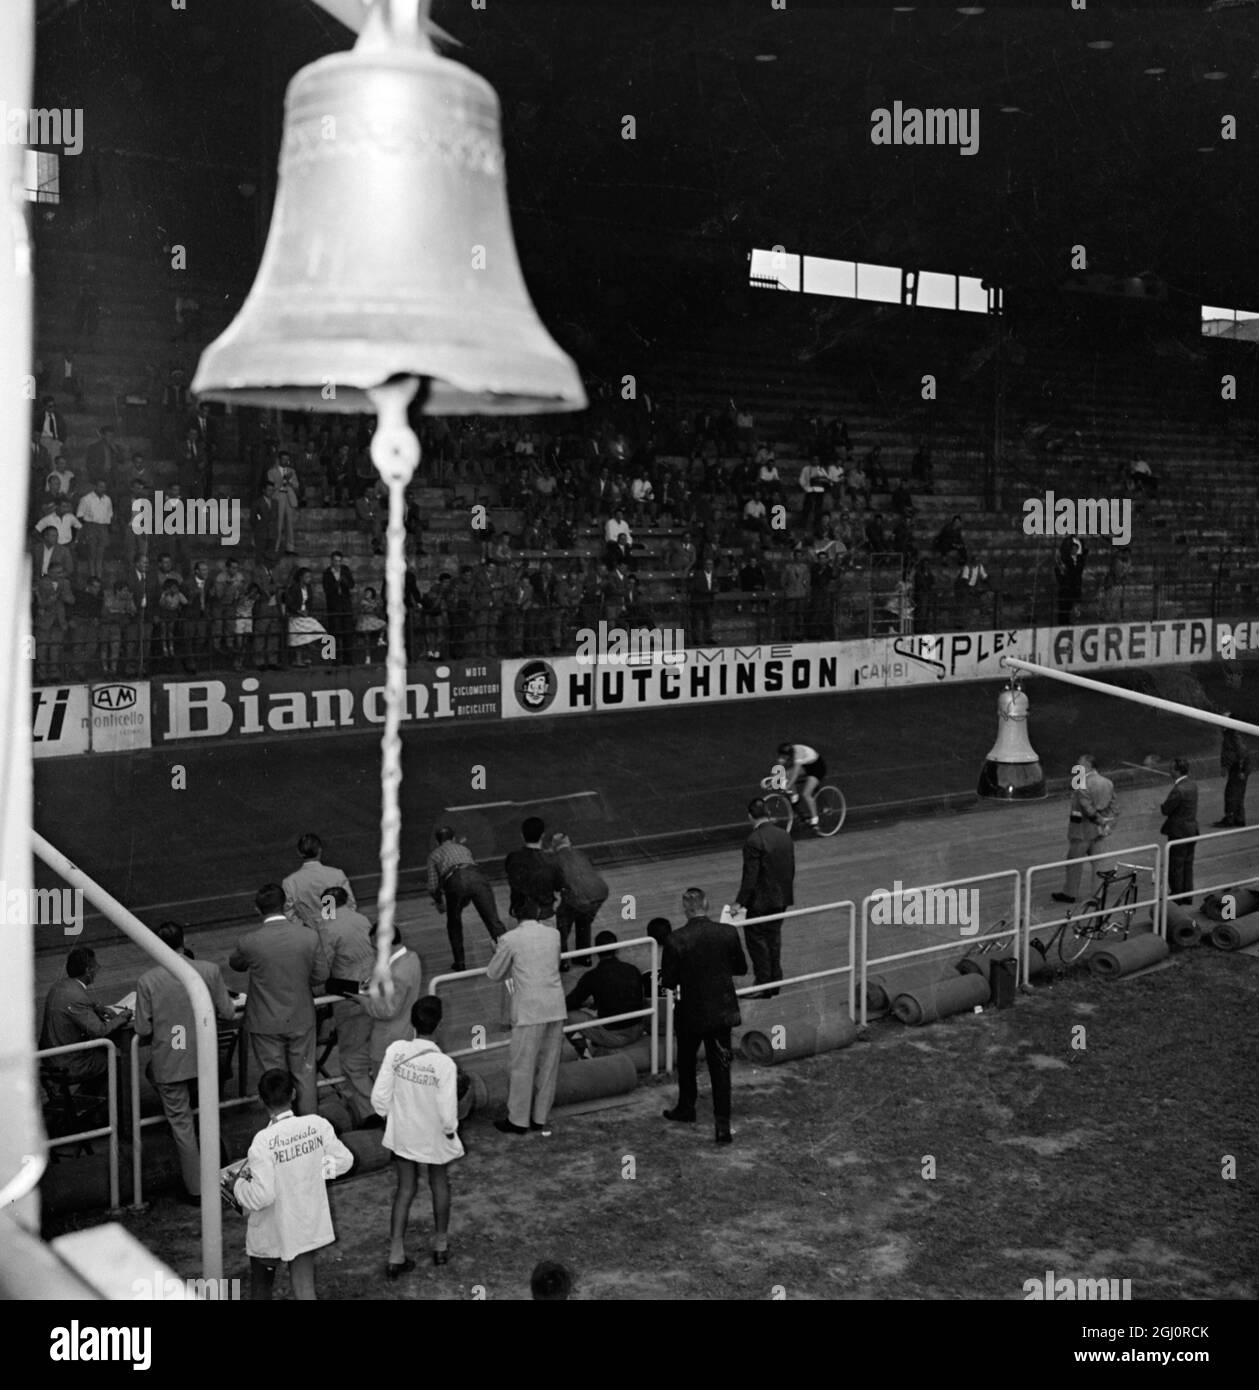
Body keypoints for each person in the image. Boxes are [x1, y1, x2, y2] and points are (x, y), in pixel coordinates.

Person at [134, 922, 238, 1201]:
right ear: (183, 940)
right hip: (204, 1059)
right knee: (209, 1116)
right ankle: (223, 1177)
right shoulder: (209, 970)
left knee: (182, 1127)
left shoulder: (148, 980)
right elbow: (228, 1012)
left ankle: (196, 1189)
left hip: (170, 1063)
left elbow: (142, 1030)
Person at [232, 1069, 355, 1301]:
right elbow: (344, 1161)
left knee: (261, 1288)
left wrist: (239, 1187)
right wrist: (314, 1172)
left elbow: (262, 1196)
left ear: (261, 1100)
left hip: (273, 1226)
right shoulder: (316, 1124)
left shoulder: (263, 1141)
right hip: (304, 1223)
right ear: (294, 1094)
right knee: (305, 1289)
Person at [371, 995, 464, 1274]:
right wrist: (449, 1132)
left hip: (404, 1132)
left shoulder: (396, 1050)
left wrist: (392, 1117)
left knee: (405, 1189)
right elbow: (448, 1114)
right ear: (440, 1024)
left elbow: (379, 1098)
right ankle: (440, 1246)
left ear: (411, 1021)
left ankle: (396, 1254)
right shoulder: (444, 1064)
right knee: (439, 1182)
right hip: (433, 1134)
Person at [228, 884, 330, 1116]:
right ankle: (310, 1128)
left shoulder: (249, 941)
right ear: (285, 904)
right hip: (301, 1017)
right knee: (305, 1075)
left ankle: (282, 1130)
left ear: (257, 909)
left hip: (265, 1021)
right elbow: (321, 975)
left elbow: (236, 963)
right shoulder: (308, 936)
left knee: (273, 1080)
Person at [661, 887, 748, 1144]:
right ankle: (723, 1125)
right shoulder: (728, 933)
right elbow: (740, 968)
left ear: (685, 909)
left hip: (690, 1012)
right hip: (721, 1011)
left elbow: (669, 981)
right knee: (721, 1069)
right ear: (707, 905)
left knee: (687, 1062)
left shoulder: (676, 939)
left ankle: (686, 1107)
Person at [486, 897, 566, 1136]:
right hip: (555, 1004)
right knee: (549, 1065)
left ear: (515, 915)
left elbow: (494, 973)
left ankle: (518, 1120)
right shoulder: (554, 934)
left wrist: (497, 949)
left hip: (529, 1009)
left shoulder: (510, 939)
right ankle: (540, 1117)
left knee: (522, 1066)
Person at [315, 885, 377, 1126]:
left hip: (351, 997)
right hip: (375, 989)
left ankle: (371, 1111)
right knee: (373, 1051)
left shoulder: (327, 927)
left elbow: (322, 969)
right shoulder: (361, 919)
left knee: (352, 1058)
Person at [39, 947, 133, 1092]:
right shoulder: (77, 996)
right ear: (88, 970)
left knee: (102, 1052)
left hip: (52, 1058)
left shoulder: (60, 986)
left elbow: (78, 1004)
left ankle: (94, 1101)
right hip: (70, 1063)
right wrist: (122, 1017)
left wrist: (96, 1007)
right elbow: (100, 1031)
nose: (98, 970)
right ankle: (111, 1111)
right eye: (96, 966)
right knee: (118, 1063)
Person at [733, 797, 795, 998]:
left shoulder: (753, 840)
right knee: (774, 938)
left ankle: (763, 984)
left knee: (757, 942)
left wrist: (739, 902)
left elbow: (750, 877)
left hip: (760, 902)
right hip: (781, 898)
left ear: (750, 816)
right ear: (768, 813)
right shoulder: (784, 835)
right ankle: (775, 981)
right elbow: (790, 869)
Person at [426, 826, 506, 973]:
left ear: (438, 842)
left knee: (454, 924)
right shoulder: (464, 849)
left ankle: (460, 962)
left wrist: (439, 901)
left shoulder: (433, 856)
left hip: (454, 881)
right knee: (493, 920)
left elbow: (432, 886)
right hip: (476, 877)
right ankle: (509, 954)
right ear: (454, 838)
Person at [565, 930, 646, 1056]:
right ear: (616, 949)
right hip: (639, 1029)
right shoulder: (633, 969)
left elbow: (569, 1003)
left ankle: (585, 1056)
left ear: (596, 951)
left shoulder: (592, 976)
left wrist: (585, 1003)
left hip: (614, 1035)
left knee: (569, 1016)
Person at [1051, 753, 1116, 904]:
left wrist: (1098, 819)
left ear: (1087, 766)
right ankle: (1098, 895)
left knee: (1074, 862)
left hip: (1081, 830)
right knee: (1098, 863)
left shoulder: (1082, 783)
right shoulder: (1107, 783)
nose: (1076, 766)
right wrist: (1107, 824)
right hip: (1099, 831)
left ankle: (1070, 893)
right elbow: (1114, 806)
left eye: (1079, 764)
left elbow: (1087, 808)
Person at [363, 933, 424, 1073]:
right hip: (406, 1032)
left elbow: (388, 1011)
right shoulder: (412, 958)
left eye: (376, 948)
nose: (374, 952)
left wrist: (363, 1001)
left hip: (387, 1038)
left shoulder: (397, 972)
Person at [548, 831, 609, 969]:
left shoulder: (553, 861)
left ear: (553, 846)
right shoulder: (581, 854)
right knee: (584, 922)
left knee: (562, 928)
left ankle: (563, 962)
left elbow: (556, 884)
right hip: (599, 893)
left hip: (576, 897)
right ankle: (584, 957)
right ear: (569, 842)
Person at [283, 833, 356, 931]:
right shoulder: (337, 874)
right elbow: (350, 905)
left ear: (299, 853)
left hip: (310, 933)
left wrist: (305, 928)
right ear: (319, 850)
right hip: (339, 930)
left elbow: (288, 913)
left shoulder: (289, 882)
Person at [504, 816, 564, 924]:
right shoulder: (552, 861)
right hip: (546, 913)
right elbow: (559, 885)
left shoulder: (513, 858)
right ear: (542, 835)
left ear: (522, 836)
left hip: (522, 914)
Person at [1160, 757, 1200, 905]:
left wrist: (1162, 805)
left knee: (1176, 866)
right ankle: (1187, 895)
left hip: (1179, 832)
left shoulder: (1178, 790)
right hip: (1192, 829)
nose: (1170, 771)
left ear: (1177, 771)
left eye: (1172, 769)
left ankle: (1176, 896)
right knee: (1188, 864)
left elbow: (1167, 809)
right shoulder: (1192, 785)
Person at [775, 740, 826, 830]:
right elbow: (779, 768)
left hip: (817, 768)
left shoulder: (798, 754)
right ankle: (795, 797)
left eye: (784, 756)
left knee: (806, 794)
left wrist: (787, 785)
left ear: (789, 754)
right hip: (806, 765)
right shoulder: (788, 752)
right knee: (786, 774)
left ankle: (815, 820)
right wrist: (775, 779)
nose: (782, 757)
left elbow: (795, 774)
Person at [322, 551, 355, 665]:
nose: (337, 563)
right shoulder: (327, 573)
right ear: (331, 561)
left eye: (339, 561)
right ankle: (334, 660)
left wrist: (343, 581)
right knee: (334, 632)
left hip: (345, 605)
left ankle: (348, 659)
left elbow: (351, 584)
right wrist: (336, 584)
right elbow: (327, 590)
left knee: (347, 632)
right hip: (333, 606)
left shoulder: (345, 570)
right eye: (335, 561)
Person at [1217, 717, 1249, 828]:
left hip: (1239, 767)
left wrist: (1240, 770)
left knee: (1232, 792)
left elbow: (1241, 752)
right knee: (1237, 792)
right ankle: (1238, 818)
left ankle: (1231, 818)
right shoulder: (1230, 734)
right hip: (1238, 766)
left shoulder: (1232, 735)